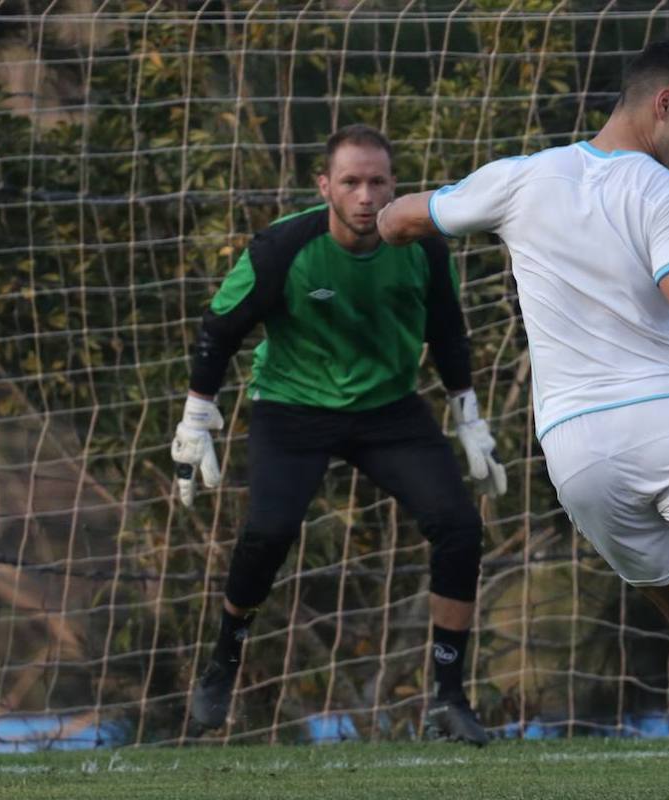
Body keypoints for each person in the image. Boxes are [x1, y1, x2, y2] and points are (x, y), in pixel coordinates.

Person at [377, 39, 669, 799]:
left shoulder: (521, 178)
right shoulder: (668, 196)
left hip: (575, 452)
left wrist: (383, 212)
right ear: (663, 104)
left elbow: (404, 217)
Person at [173, 124, 506, 746]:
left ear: (393, 186)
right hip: (292, 407)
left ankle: (449, 697)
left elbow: (448, 329)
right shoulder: (281, 249)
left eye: (378, 182)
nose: (365, 196)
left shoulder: (423, 246)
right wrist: (197, 418)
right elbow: (219, 330)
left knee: (459, 527)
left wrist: (469, 415)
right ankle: (223, 661)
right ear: (324, 185)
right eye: (350, 182)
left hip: (389, 410)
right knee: (268, 533)